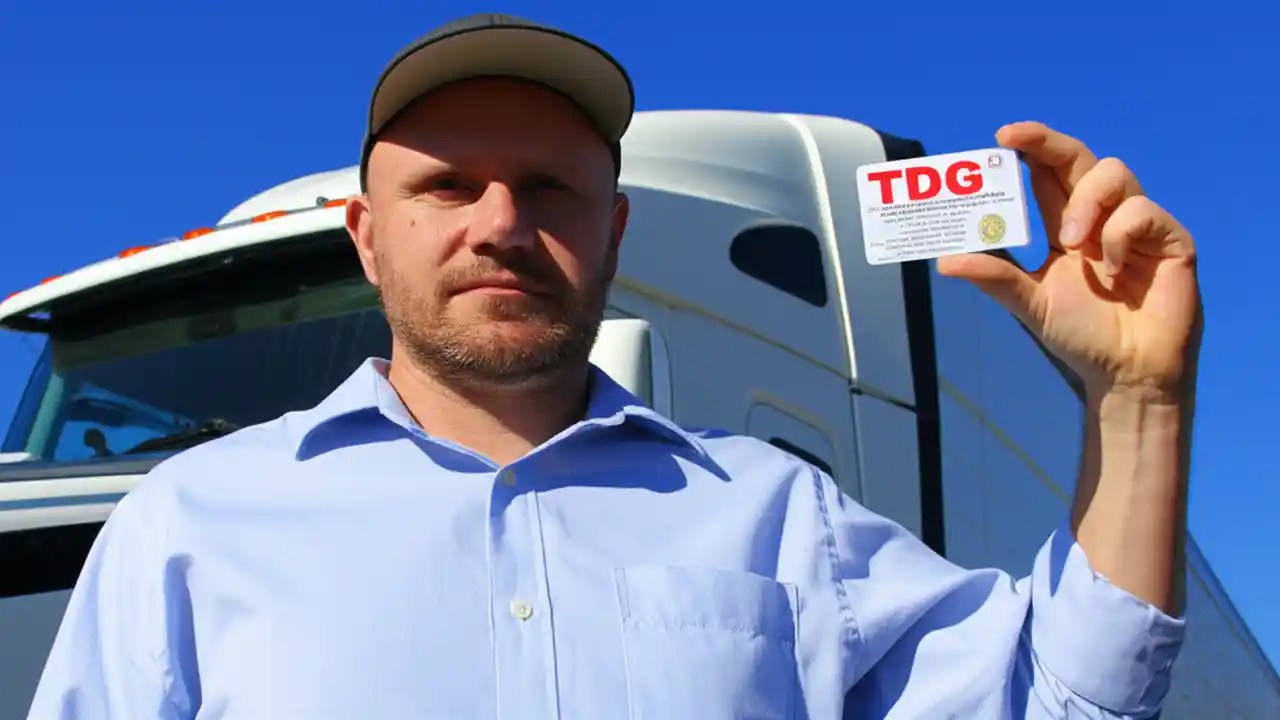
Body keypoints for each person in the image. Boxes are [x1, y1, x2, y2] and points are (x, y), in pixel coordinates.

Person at [27, 12, 1201, 720]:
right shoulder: (186, 524)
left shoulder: (775, 515)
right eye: (444, 186)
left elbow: (1056, 699)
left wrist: (1138, 403)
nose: (497, 223)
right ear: (366, 240)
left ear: (613, 234)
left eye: (548, 190)